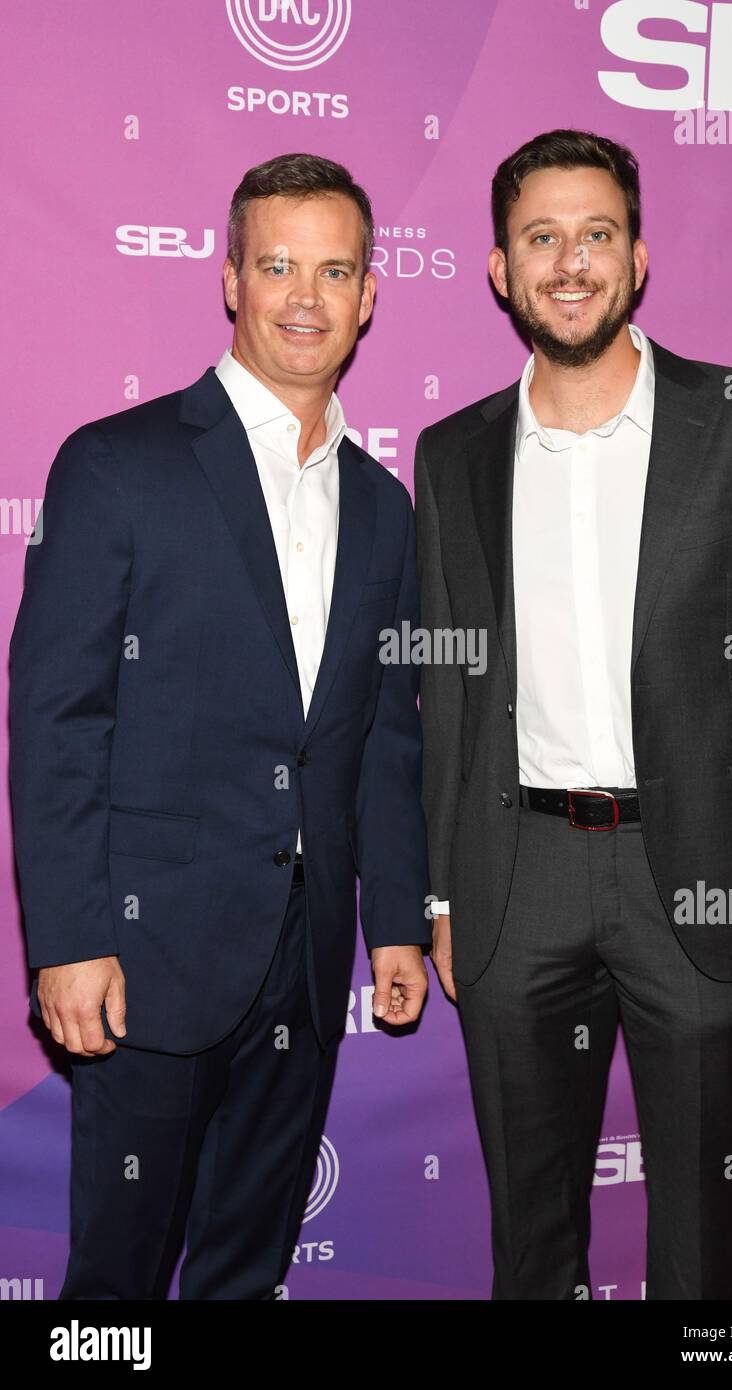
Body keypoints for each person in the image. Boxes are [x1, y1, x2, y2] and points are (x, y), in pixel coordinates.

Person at [414, 129, 732, 1300]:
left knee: (700, 1235)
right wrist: (447, 891)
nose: (570, 262)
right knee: (530, 1233)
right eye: (541, 237)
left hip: (706, 874)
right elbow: (451, 686)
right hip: (516, 877)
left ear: (639, 256)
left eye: (596, 233)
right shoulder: (451, 453)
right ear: (500, 270)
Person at [9, 153, 430, 1300]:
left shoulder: (386, 507)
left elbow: (385, 733)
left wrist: (394, 917)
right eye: (279, 265)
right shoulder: (118, 465)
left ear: (369, 295)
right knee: (117, 1279)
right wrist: (68, 938)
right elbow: (56, 719)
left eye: (334, 269)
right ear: (231, 278)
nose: (306, 296)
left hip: (300, 965)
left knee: (247, 1266)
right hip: (144, 958)